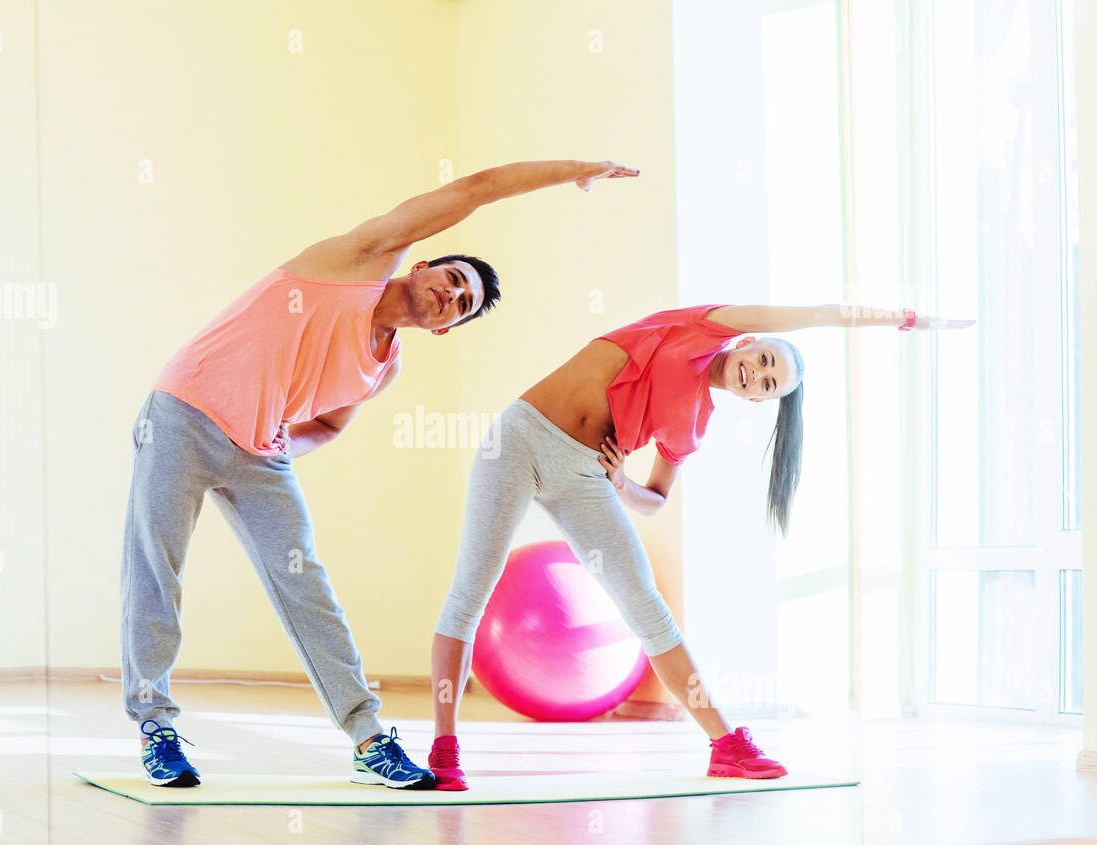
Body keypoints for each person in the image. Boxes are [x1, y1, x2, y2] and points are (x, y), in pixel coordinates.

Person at [120, 159, 641, 788]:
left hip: (258, 453)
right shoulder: (359, 260)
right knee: (157, 563)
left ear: (447, 327)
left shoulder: (382, 367)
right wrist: (575, 172)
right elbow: (471, 190)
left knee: (305, 583)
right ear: (423, 267)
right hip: (183, 413)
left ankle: (369, 738)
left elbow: (330, 426)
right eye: (453, 278)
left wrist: (275, 447)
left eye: (462, 303)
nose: (451, 294)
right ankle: (156, 727)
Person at [427, 304, 972, 789]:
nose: (757, 376)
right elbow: (816, 313)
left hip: (586, 475)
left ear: (757, 401)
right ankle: (445, 747)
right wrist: (908, 318)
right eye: (764, 362)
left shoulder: (692, 424)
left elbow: (656, 498)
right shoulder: (698, 327)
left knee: (647, 607)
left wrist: (621, 485)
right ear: (747, 341)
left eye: (767, 385)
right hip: (519, 439)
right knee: (471, 589)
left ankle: (726, 746)